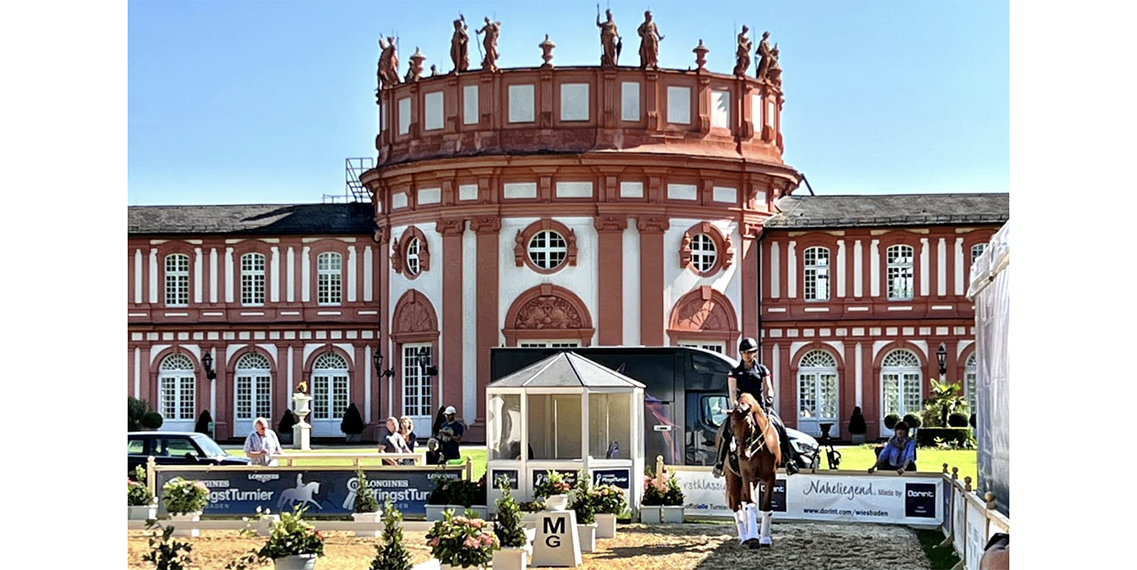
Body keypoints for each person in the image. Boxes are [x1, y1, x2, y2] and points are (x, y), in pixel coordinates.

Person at [712, 337, 800, 478]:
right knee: (726, 431)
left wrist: (770, 396)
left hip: (760, 408)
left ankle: (789, 460)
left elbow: (769, 387)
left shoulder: (762, 370)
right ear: (741, 353)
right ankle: (720, 463)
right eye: (745, 352)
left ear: (755, 353)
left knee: (781, 427)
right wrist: (736, 405)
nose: (748, 354)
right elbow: (733, 392)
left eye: (751, 352)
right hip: (742, 409)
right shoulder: (734, 372)